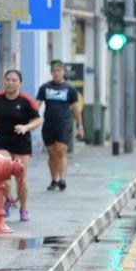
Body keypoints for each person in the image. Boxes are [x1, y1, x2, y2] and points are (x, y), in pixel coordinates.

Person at [0, 69, 42, 222]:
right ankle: (9, 199)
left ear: (20, 83)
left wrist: (26, 128)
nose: (10, 83)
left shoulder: (26, 100)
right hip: (3, 140)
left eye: (14, 80)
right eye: (8, 80)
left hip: (21, 142)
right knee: (2, 172)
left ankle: (23, 208)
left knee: (21, 178)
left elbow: (37, 120)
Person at [36, 60, 83, 191]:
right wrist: (30, 118)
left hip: (64, 123)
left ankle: (62, 179)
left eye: (59, 71)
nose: (56, 73)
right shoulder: (45, 88)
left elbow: (75, 109)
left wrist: (80, 126)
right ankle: (54, 180)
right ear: (51, 72)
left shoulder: (70, 89)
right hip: (49, 124)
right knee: (52, 154)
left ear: (63, 72)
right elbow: (37, 104)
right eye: (54, 71)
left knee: (61, 151)